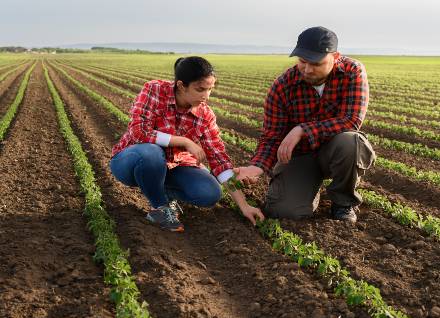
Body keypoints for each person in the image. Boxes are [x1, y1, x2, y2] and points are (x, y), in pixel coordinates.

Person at [234, 26, 376, 223]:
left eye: (316, 63)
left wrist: (302, 129)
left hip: (335, 151)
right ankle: (307, 188)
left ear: (335, 56)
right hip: (300, 156)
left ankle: (343, 202)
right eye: (302, 61)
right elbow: (272, 136)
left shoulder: (352, 72)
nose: (308, 70)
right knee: (285, 211)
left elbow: (350, 120)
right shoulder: (283, 86)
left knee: (352, 142)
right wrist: (256, 167)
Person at [110, 56, 264, 232]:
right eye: (200, 89)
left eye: (210, 89)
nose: (206, 96)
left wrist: (244, 206)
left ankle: (163, 192)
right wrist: (185, 141)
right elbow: (139, 131)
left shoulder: (205, 115)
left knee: (210, 192)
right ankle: (160, 209)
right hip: (132, 162)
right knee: (151, 153)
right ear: (181, 86)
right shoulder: (155, 90)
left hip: (174, 167)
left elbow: (219, 160)